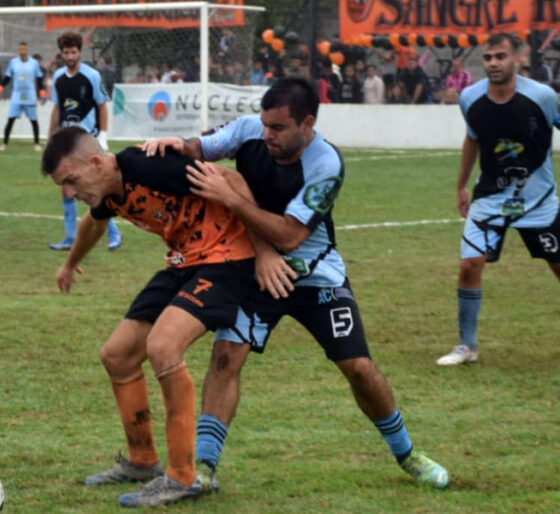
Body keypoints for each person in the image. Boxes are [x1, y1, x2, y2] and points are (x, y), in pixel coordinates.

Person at [142, 77, 450, 491]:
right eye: (265, 124)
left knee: (358, 367)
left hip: (315, 275)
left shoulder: (326, 165)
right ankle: (205, 468)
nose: (267, 134)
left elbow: (290, 237)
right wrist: (173, 144)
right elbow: (196, 150)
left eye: (279, 128)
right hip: (254, 269)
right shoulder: (251, 130)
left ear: (307, 123)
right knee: (226, 356)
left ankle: (408, 454)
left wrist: (232, 198)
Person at [42, 126, 258, 507]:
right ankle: (143, 461)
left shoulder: (149, 166)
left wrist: (267, 250)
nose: (69, 193)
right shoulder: (108, 189)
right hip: (184, 263)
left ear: (95, 162)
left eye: (71, 181)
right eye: (63, 186)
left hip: (227, 259)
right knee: (118, 355)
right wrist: (70, 264)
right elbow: (95, 222)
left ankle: (183, 476)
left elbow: (231, 179)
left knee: (163, 346)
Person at [437, 33, 560, 367]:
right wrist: (461, 185)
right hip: (489, 197)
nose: (493, 63)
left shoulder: (543, 97)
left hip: (538, 200)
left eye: (500, 56)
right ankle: (467, 346)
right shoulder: (470, 99)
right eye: (488, 57)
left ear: (518, 58)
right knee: (469, 266)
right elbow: (472, 139)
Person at [47, 32, 121, 252]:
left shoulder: (92, 76)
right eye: (66, 52)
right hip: (65, 141)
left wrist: (103, 136)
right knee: (66, 187)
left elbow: (102, 106)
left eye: (73, 52)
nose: (70, 56)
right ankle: (70, 236)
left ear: (80, 52)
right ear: (61, 53)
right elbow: (57, 108)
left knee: (93, 188)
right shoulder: (59, 77)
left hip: (87, 140)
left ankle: (114, 232)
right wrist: (51, 138)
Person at [0, 42, 45, 152]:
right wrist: (0, 90)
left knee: (33, 120)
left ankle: (36, 143)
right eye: (20, 49)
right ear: (19, 50)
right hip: (17, 96)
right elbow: (7, 77)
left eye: (24, 49)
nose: (22, 51)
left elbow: (39, 80)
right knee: (11, 119)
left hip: (30, 96)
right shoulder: (13, 62)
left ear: (27, 50)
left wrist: (42, 94)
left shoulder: (34, 63)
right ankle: (5, 143)